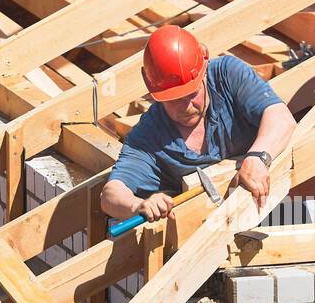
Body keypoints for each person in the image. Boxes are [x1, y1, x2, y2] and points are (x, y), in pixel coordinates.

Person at [101, 26, 296, 225]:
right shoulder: (148, 137)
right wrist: (137, 206)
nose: (186, 106)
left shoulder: (228, 76)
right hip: (208, 230)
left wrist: (257, 158)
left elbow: (281, 118)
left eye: (192, 94)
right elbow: (110, 195)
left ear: (203, 72)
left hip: (281, 202)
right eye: (174, 99)